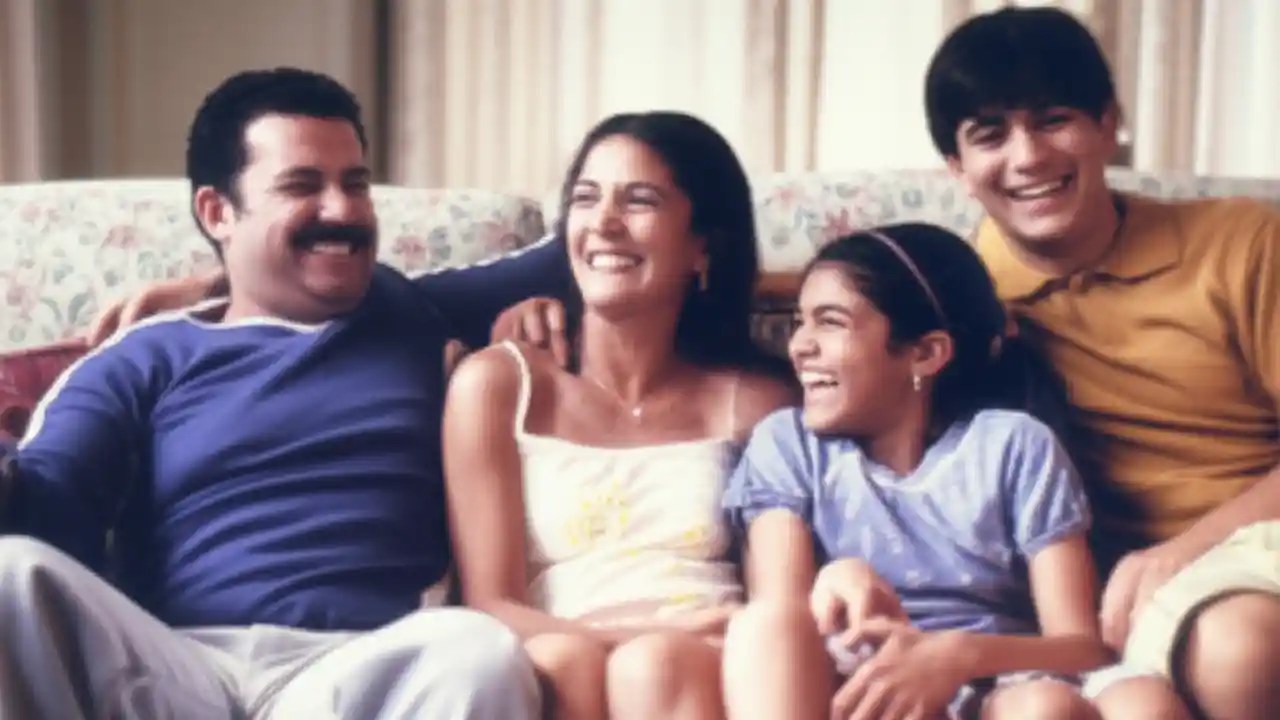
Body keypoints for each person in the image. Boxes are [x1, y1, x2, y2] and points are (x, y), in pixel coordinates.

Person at [0, 67, 582, 719]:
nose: (341, 211)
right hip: (175, 673)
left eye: (355, 185)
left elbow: (584, 252)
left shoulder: (408, 310)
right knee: (10, 575)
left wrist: (219, 274)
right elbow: (48, 512)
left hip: (366, 671)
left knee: (478, 651)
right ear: (218, 212)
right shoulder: (143, 355)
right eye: (303, 186)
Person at [925, 7, 1280, 718]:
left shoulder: (1243, 242)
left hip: (1251, 538)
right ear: (958, 170)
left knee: (1241, 648)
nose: (1027, 156)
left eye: (1054, 119)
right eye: (990, 135)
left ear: (1107, 126)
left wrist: (1183, 550)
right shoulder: (959, 302)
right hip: (1112, 594)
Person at [717, 224, 1188, 720]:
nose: (799, 346)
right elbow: (778, 622)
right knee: (773, 627)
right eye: (799, 323)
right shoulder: (788, 445)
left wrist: (958, 655)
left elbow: (1082, 646)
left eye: (829, 322)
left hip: (998, 675)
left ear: (925, 353)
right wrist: (836, 576)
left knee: (1116, 706)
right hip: (853, 672)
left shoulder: (1012, 445)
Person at [441, 111, 794, 720]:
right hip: (557, 663)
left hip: (709, 675)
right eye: (585, 198)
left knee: (658, 667)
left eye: (640, 200)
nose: (604, 223)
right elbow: (488, 603)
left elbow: (777, 608)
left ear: (703, 243)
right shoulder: (498, 385)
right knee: (572, 659)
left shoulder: (759, 405)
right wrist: (625, 641)